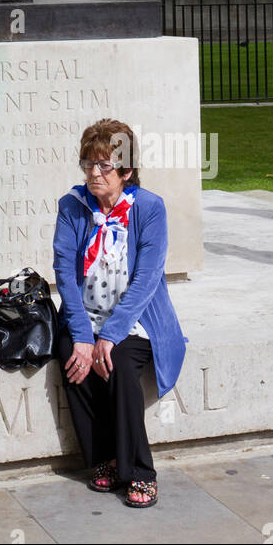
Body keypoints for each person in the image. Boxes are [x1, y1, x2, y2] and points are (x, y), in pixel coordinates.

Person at [52, 118, 187, 509]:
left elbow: (146, 279)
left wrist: (109, 335)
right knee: (72, 359)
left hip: (136, 321)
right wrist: (81, 335)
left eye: (104, 166)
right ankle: (102, 460)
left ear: (126, 170)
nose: (94, 173)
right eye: (88, 164)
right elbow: (64, 272)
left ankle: (141, 471)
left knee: (120, 366)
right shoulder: (71, 207)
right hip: (84, 316)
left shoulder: (149, 209)